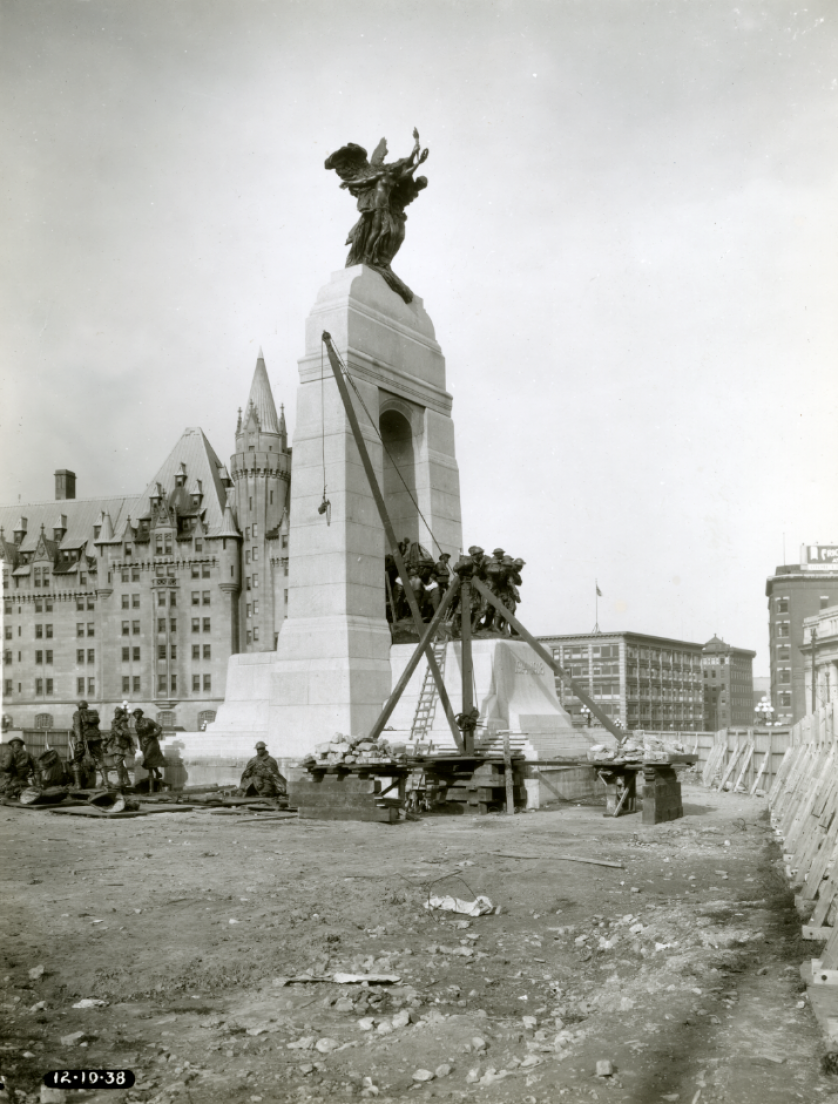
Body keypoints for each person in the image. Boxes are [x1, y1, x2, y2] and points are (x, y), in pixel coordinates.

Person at [71, 700, 108, 788]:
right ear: (87, 707)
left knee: (77, 761)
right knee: (99, 760)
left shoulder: (77, 714)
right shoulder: (94, 713)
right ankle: (106, 783)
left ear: (79, 707)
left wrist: (79, 741)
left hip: (84, 739)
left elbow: (77, 727)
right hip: (96, 739)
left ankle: (78, 784)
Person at [133, 709, 166, 792]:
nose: (136, 715)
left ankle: (152, 778)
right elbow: (139, 735)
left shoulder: (148, 721)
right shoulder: (136, 724)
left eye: (137, 713)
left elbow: (159, 727)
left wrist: (153, 735)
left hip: (152, 742)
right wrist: (140, 744)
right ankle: (156, 773)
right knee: (150, 759)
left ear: (141, 714)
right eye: (135, 714)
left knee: (148, 757)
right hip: (144, 743)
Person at [108, 707, 136, 790]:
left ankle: (121, 780)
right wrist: (108, 742)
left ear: (121, 713)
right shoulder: (114, 722)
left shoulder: (123, 722)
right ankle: (126, 780)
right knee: (118, 763)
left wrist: (118, 730)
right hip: (116, 744)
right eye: (115, 712)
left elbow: (127, 734)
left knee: (118, 762)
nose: (116, 714)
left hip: (121, 745)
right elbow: (112, 734)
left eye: (118, 712)